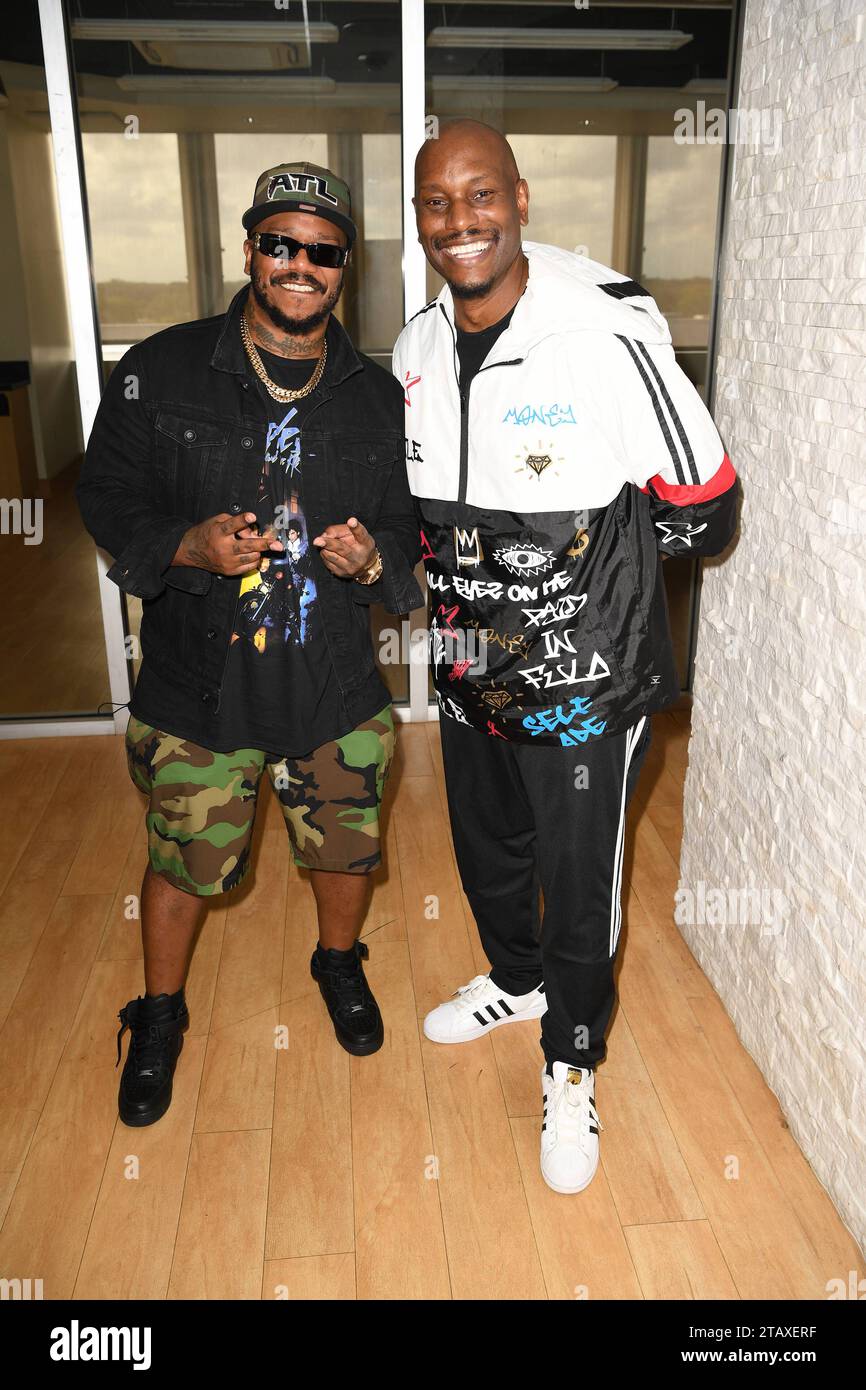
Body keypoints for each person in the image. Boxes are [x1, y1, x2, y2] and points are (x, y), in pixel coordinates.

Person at [392, 120, 738, 1194]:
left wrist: (582, 596)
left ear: (521, 197)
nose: (460, 221)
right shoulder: (410, 348)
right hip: (464, 659)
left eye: (479, 195)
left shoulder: (599, 333)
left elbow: (707, 508)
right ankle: (513, 979)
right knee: (488, 844)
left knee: (577, 877)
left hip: (584, 679)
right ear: (419, 219)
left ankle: (571, 1064)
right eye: (437, 202)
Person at [77, 161, 423, 1127]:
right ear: (250, 250)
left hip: (334, 687)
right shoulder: (163, 368)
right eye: (281, 243)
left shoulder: (383, 400)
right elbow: (104, 497)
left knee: (347, 854)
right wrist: (185, 545)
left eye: (322, 251)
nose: (299, 264)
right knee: (186, 857)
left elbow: (411, 530)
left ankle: (338, 964)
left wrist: (371, 560)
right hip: (199, 686)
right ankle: (159, 1012)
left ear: (343, 268)